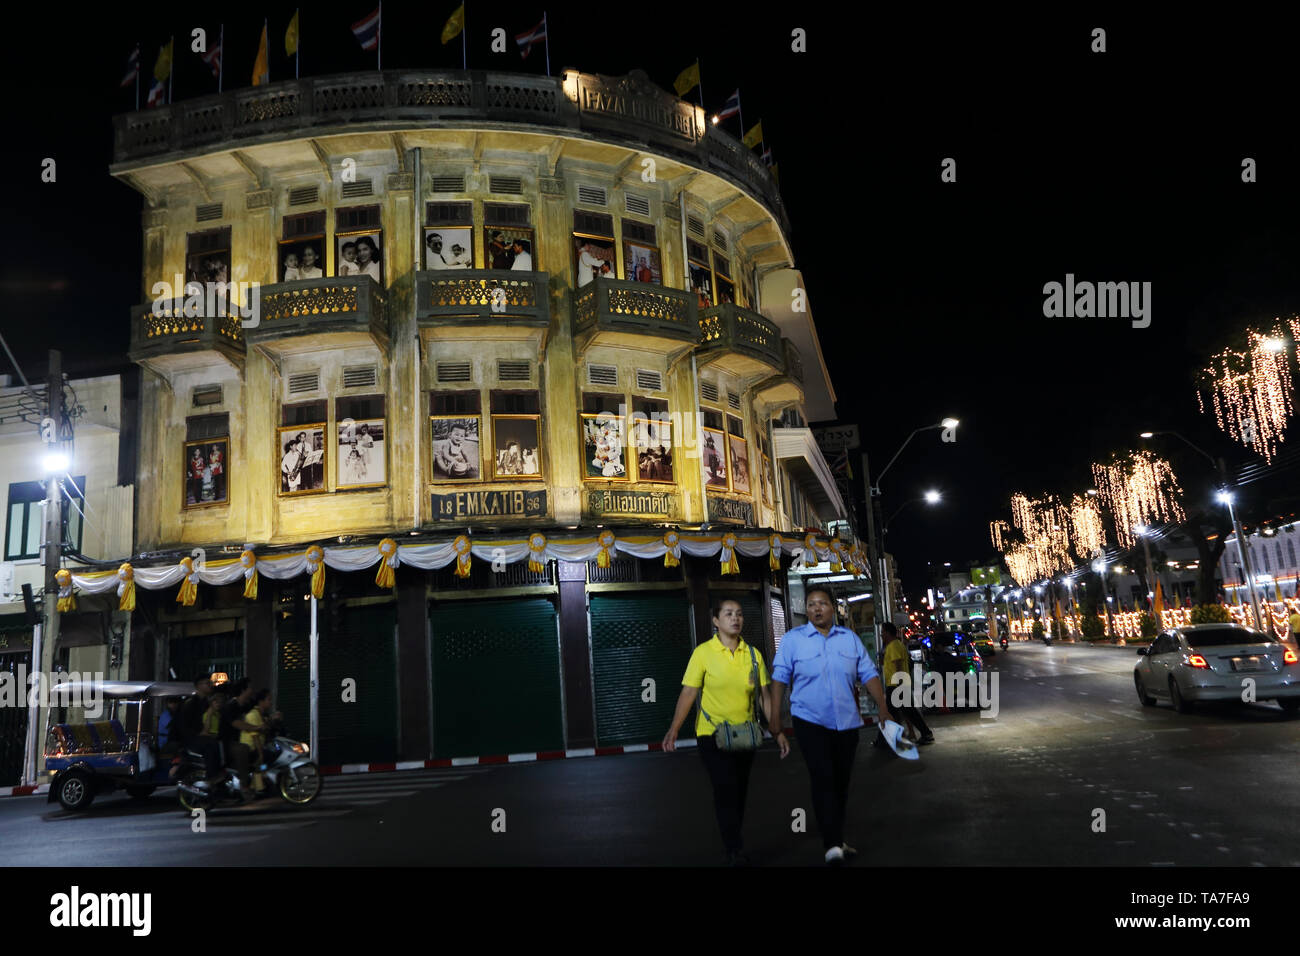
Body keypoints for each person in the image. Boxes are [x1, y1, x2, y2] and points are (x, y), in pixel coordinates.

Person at [771, 585, 896, 865]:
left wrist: (884, 709)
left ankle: (837, 838)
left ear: (832, 607)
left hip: (846, 722)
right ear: (807, 609)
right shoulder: (794, 640)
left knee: (840, 782)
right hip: (809, 720)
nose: (816, 609)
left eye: (822, 603)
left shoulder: (849, 639)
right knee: (823, 777)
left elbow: (868, 674)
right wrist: (775, 717)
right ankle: (831, 845)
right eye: (811, 604)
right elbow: (779, 678)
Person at [663, 599, 783, 865]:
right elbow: (689, 692)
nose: (735, 618)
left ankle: (733, 839)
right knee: (725, 787)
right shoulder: (703, 653)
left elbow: (763, 696)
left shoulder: (753, 655)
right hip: (711, 734)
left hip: (745, 734)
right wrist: (674, 729)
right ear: (716, 622)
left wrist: (777, 729)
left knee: (739, 791)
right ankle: (733, 847)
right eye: (728, 614)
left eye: (739, 614)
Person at [877, 622, 934, 746]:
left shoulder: (893, 646)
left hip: (896, 685)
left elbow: (897, 663)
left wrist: (898, 684)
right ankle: (925, 733)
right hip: (899, 684)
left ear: (887, 633)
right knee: (904, 712)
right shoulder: (896, 645)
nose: (881, 634)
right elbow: (884, 662)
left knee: (892, 712)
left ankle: (883, 741)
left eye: (882, 632)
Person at [220, 679, 258, 799]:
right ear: (243, 690)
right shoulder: (231, 706)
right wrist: (256, 727)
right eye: (250, 688)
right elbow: (237, 723)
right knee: (242, 750)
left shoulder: (248, 704)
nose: (252, 690)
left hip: (244, 738)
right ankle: (244, 784)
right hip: (229, 742)